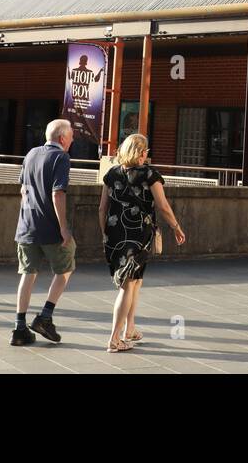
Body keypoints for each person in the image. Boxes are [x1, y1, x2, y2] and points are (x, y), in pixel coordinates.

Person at [99, 133, 185, 352]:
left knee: (134, 281)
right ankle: (114, 339)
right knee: (128, 285)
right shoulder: (149, 174)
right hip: (138, 234)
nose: (147, 155)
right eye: (145, 151)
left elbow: (102, 208)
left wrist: (105, 234)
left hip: (114, 234)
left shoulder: (112, 174)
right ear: (140, 153)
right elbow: (163, 206)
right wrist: (176, 227)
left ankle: (130, 329)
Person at [11, 118, 76, 346]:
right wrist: (63, 228)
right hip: (50, 227)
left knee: (28, 274)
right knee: (65, 268)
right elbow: (58, 193)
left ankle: (19, 327)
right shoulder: (61, 157)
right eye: (71, 136)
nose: (72, 140)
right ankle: (45, 317)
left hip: (27, 225)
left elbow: (22, 189)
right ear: (62, 138)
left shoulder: (30, 154)